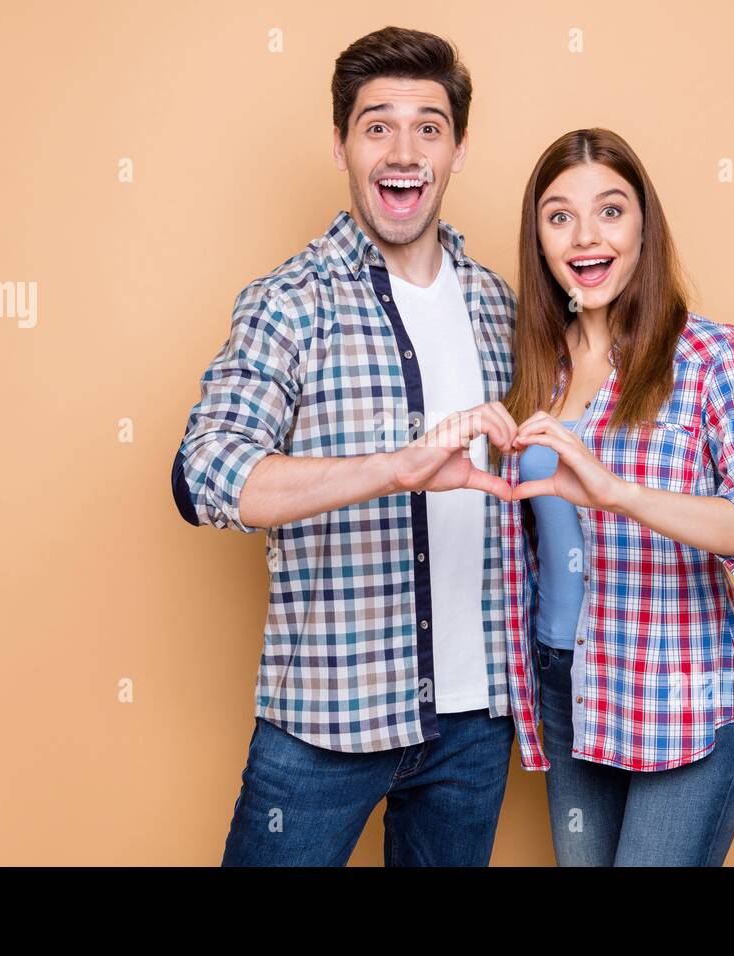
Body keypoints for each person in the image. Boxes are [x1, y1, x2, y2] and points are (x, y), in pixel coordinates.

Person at [171, 26, 520, 866]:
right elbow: (203, 474)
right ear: (341, 144)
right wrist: (394, 469)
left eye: (428, 127)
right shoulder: (290, 301)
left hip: (476, 724)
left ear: (459, 149)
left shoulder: (502, 309)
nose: (403, 151)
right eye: (377, 125)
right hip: (327, 718)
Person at [498, 127, 734, 866]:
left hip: (683, 690)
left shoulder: (710, 357)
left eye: (610, 210)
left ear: (644, 227)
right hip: (564, 684)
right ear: (539, 237)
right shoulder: (531, 374)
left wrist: (617, 494)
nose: (585, 236)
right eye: (559, 215)